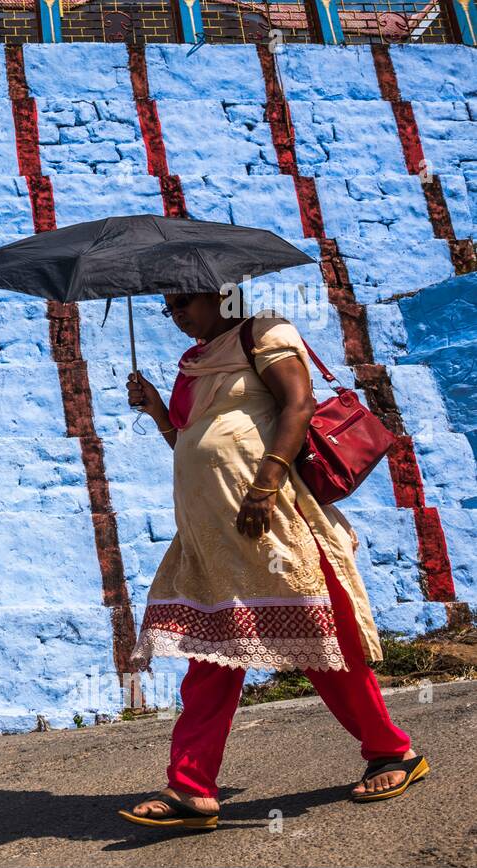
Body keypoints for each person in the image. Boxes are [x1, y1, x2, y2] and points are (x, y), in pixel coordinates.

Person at [116, 291, 429, 830]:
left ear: (222, 293)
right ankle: (192, 791)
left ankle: (391, 751)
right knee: (211, 659)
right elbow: (194, 444)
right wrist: (160, 414)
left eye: (184, 301)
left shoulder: (264, 333)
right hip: (212, 537)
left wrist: (264, 485)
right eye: (169, 308)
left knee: (326, 651)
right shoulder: (194, 365)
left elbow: (298, 405)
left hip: (275, 523)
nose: (177, 316)